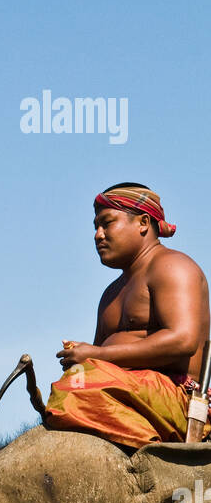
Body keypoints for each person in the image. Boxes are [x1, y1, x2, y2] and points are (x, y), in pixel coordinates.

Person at [45, 184, 211, 447]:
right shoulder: (111, 293)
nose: (98, 235)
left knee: (82, 385)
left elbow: (183, 341)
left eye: (107, 223)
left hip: (174, 395)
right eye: (95, 227)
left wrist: (95, 355)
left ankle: (152, 456)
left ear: (143, 223)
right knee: (74, 382)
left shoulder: (172, 266)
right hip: (124, 389)